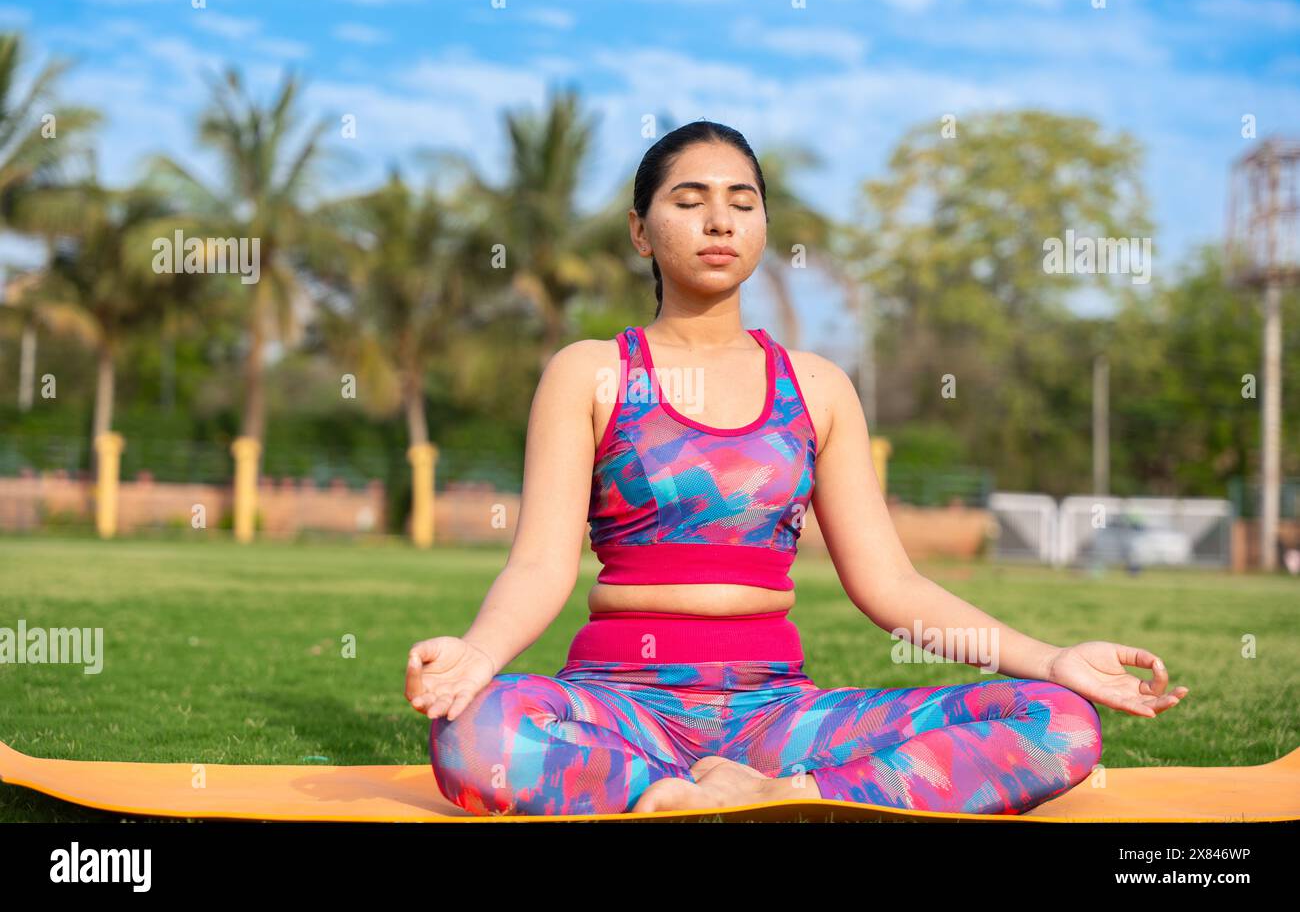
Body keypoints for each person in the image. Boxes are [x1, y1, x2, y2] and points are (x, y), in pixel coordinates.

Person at [405, 120, 1189, 817]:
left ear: (764, 225)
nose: (719, 219)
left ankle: (785, 797)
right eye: (689, 200)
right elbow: (541, 565)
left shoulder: (816, 388)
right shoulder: (590, 372)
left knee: (1057, 722)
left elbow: (893, 587)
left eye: (743, 202)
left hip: (778, 720)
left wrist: (1051, 660)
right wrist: (477, 653)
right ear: (641, 231)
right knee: (471, 734)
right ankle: (668, 794)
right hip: (619, 705)